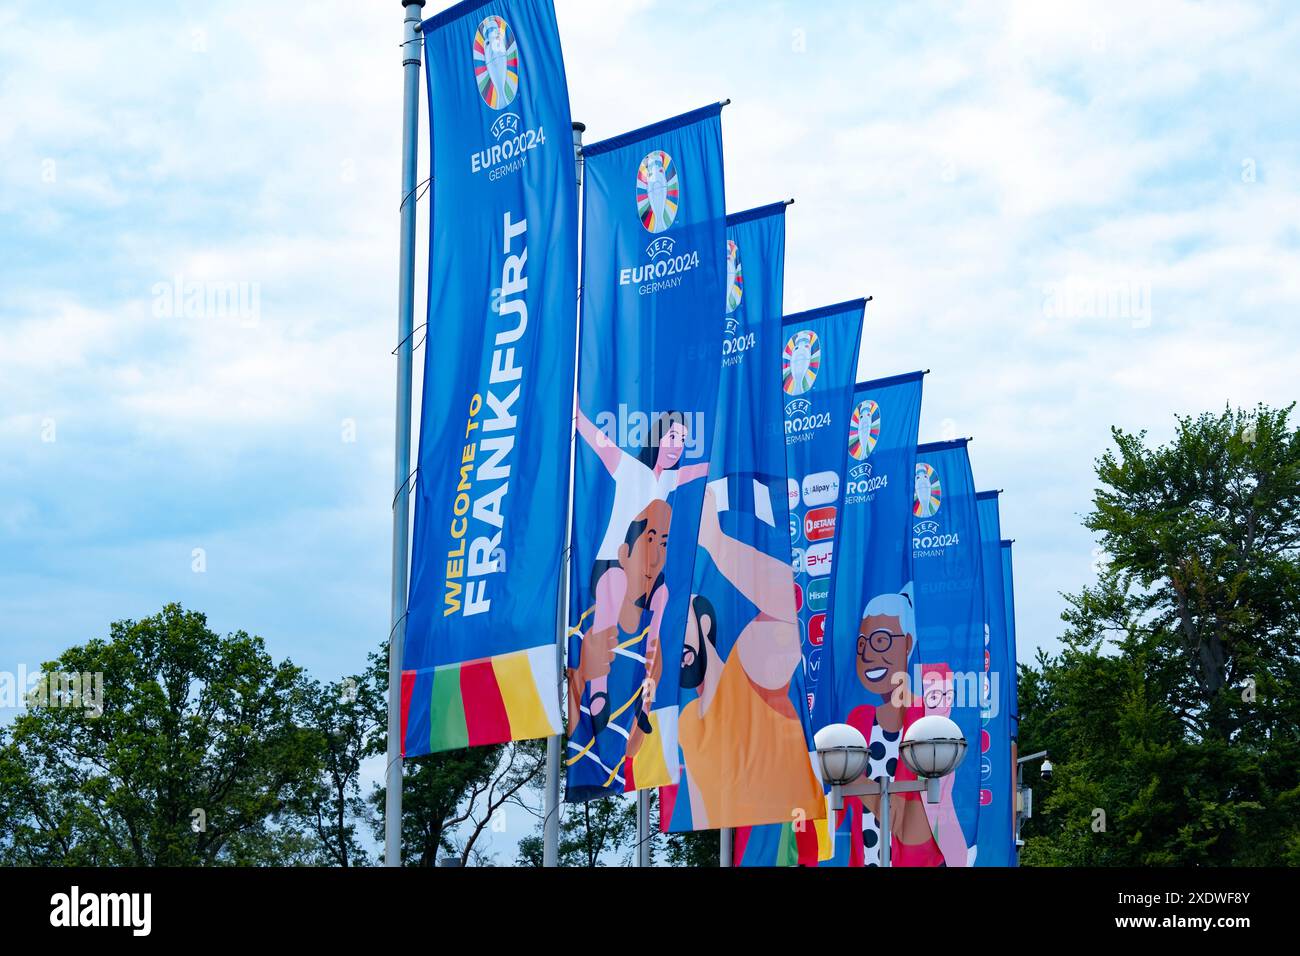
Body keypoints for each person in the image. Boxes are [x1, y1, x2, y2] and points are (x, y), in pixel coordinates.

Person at [676, 486, 824, 829]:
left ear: (705, 622)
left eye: (677, 625)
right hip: (749, 844)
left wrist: (716, 543)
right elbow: (702, 811)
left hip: (800, 830)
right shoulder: (686, 724)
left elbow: (790, 606)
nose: (672, 642)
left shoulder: (748, 662)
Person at [576, 409, 707, 732]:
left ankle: (644, 696)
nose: (677, 445)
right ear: (657, 438)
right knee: (610, 601)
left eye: (683, 440)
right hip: (613, 562)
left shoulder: (669, 479)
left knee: (663, 600)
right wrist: (578, 411)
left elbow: (700, 469)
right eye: (672, 437)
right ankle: (598, 691)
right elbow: (599, 441)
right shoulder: (630, 468)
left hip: (647, 571)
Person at [567, 500, 671, 772]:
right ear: (624, 554)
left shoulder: (655, 640)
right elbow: (573, 716)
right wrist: (585, 677)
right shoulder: (588, 621)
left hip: (614, 770)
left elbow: (633, 748)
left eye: (663, 544)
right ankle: (600, 691)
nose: (655, 557)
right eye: (649, 540)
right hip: (584, 761)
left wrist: (645, 703)